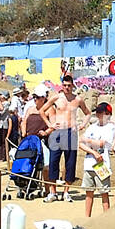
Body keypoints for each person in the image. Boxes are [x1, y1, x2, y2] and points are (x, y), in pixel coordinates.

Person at [44, 74, 90, 203]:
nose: (67, 88)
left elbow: (87, 113)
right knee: (53, 161)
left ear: (72, 85)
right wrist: (50, 125)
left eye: (69, 85)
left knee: (70, 163)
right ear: (62, 85)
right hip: (58, 132)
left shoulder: (78, 99)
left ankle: (66, 192)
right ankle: (53, 192)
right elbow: (42, 110)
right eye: (64, 85)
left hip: (71, 132)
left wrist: (82, 125)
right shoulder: (57, 98)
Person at [79, 101, 115, 217]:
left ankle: (106, 217)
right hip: (89, 162)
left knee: (104, 193)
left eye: (101, 112)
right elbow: (80, 143)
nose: (98, 114)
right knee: (88, 193)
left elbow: (102, 143)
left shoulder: (110, 127)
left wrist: (88, 141)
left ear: (107, 113)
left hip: (102, 164)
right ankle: (87, 217)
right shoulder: (92, 127)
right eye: (97, 112)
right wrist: (92, 150)